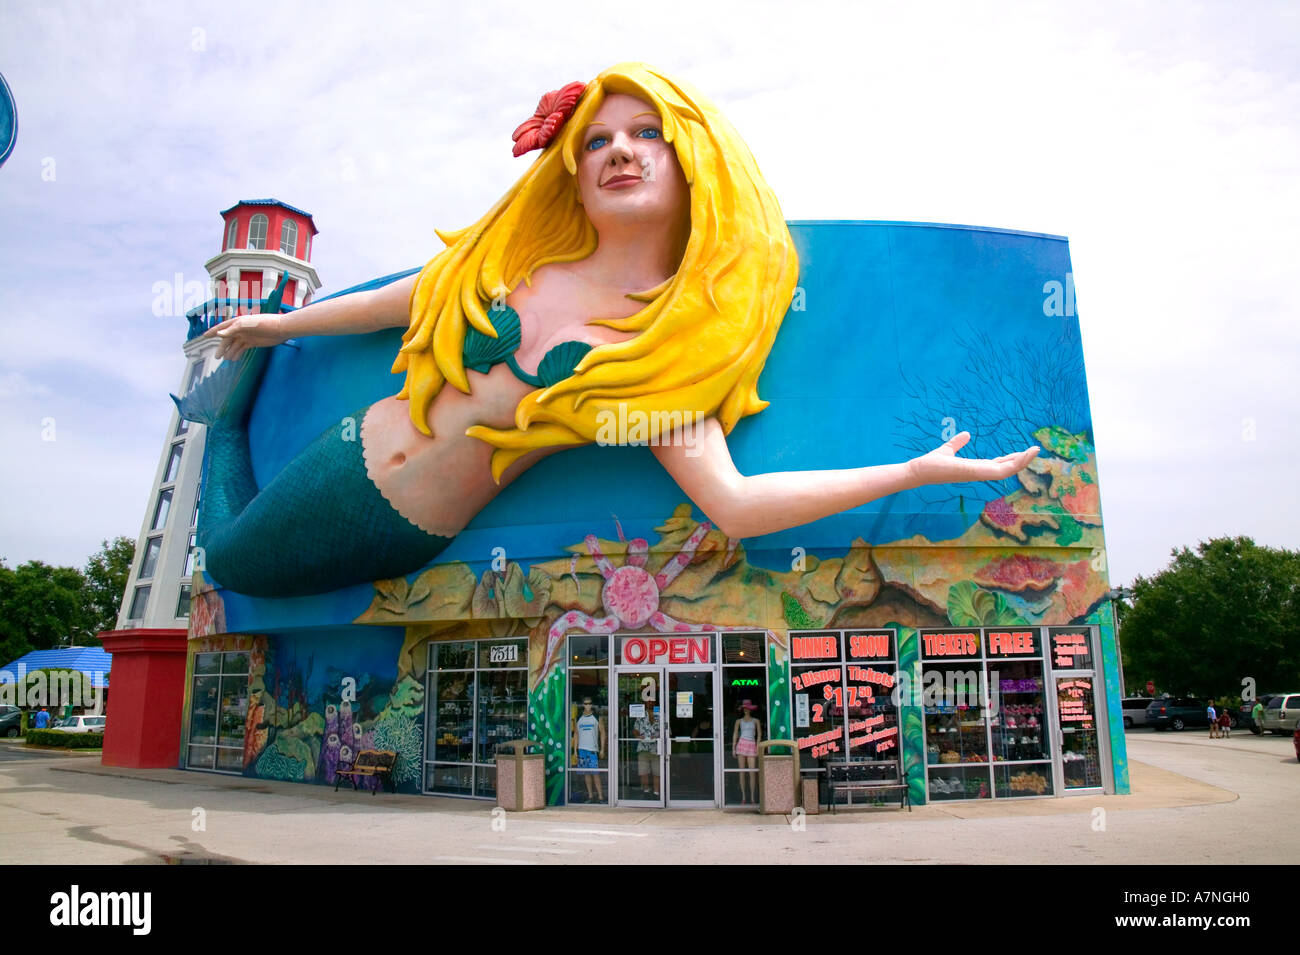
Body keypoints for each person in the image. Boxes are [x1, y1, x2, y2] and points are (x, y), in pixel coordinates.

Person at [185, 63, 1041, 600]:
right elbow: (396, 302)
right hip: (345, 447)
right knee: (226, 554)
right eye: (597, 140)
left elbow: (735, 507)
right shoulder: (524, 265)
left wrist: (914, 469)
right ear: (577, 172)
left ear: (692, 160)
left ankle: (222, 423)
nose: (619, 152)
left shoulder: (667, 350)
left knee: (230, 562)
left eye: (646, 134)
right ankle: (228, 416)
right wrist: (275, 325)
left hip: (399, 524)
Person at [571, 697, 606, 803]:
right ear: (583, 705)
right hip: (582, 749)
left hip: (592, 749)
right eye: (585, 703)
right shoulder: (579, 718)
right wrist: (575, 750)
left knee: (595, 774)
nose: (588, 705)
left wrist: (602, 749)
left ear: (592, 704)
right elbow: (576, 734)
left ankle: (600, 796)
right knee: (586, 774)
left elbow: (603, 733)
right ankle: (590, 796)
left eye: (589, 703)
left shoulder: (596, 717)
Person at [731, 699, 763, 804]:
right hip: (741, 744)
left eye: (747, 708)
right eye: (744, 708)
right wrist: (733, 748)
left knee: (752, 772)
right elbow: (735, 734)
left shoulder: (756, 721)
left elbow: (759, 735)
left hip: (751, 745)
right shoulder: (738, 721)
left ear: (750, 709)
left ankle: (753, 797)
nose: (746, 710)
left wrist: (757, 747)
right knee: (742, 772)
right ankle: (744, 797)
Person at [634, 705, 661, 797]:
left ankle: (656, 793)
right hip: (643, 747)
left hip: (656, 748)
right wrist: (638, 736)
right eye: (648, 700)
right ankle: (646, 791)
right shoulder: (640, 714)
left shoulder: (661, 714)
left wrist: (658, 736)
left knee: (657, 772)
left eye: (652, 700)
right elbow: (635, 730)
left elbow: (667, 731)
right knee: (643, 772)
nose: (650, 702)